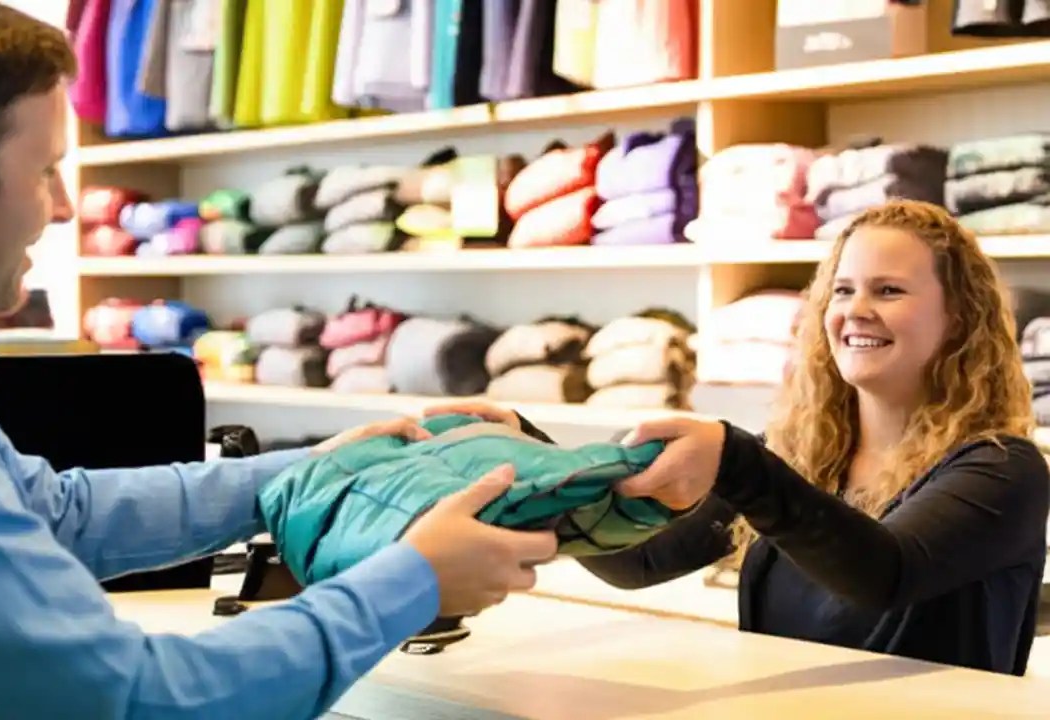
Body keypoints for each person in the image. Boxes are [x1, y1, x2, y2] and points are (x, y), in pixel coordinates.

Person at [0, 2, 556, 718]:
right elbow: (135, 701)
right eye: (45, 171)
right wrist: (412, 582)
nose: (66, 207)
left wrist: (312, 470)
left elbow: (52, 514)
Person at [428, 199, 1050, 677]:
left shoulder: (1003, 471)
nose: (855, 310)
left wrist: (735, 460)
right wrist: (523, 452)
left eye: (889, 290)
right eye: (842, 290)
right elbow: (636, 560)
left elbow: (885, 574)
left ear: (958, 319)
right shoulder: (796, 459)